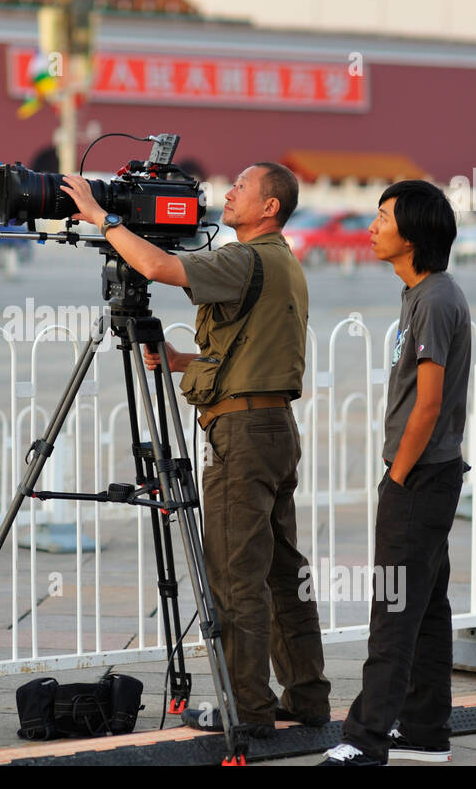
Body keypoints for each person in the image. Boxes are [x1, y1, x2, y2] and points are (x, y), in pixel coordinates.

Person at [60, 163, 331, 737]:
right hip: (274, 427)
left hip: (242, 436)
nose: (228, 194)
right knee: (283, 573)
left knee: (235, 578)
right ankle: (307, 698)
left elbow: (157, 266)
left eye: (242, 188)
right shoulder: (282, 261)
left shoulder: (245, 257)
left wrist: (102, 217)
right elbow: (249, 352)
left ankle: (247, 712)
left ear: (269, 208)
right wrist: (183, 361)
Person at [321, 180, 471, 766]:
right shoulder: (425, 292)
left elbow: (428, 405)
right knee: (428, 605)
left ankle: (365, 740)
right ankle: (426, 731)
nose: (372, 227)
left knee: (394, 610)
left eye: (382, 217)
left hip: (421, 478)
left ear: (411, 234)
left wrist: (397, 477)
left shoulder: (433, 299)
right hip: (432, 476)